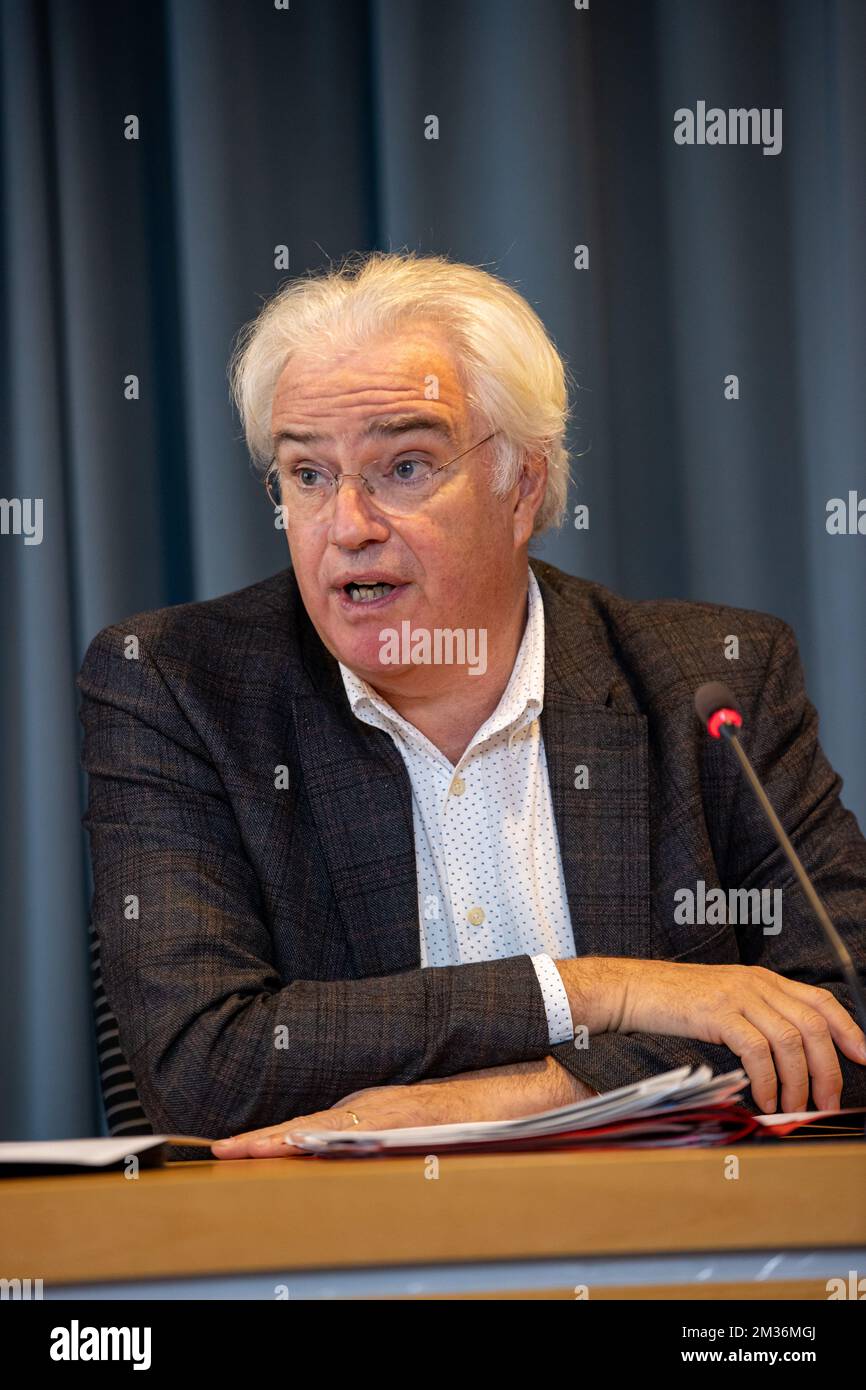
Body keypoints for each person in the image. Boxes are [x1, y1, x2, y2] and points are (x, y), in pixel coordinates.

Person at [77, 251, 866, 1158]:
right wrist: (599, 991)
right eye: (307, 475)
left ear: (521, 485)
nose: (348, 525)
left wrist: (529, 1097)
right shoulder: (179, 686)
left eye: (404, 465)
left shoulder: (710, 681)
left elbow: (844, 1013)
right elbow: (204, 1062)